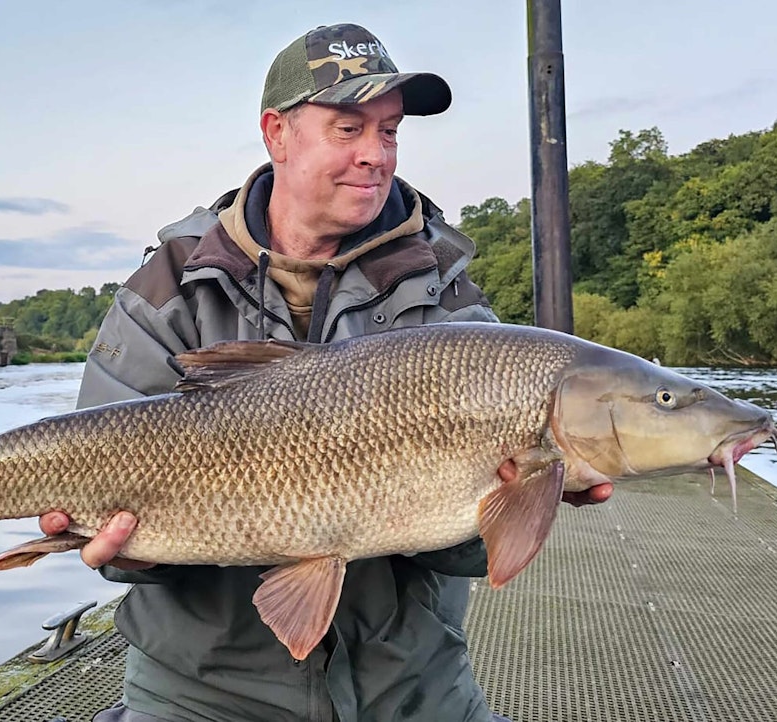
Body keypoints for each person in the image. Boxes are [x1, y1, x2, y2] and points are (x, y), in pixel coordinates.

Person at [39, 23, 612, 722]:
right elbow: (109, 522)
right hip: (200, 690)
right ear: (277, 133)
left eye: (390, 131)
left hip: (410, 685)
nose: (376, 155)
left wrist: (526, 497)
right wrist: (124, 553)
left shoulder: (444, 293)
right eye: (348, 128)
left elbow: (469, 560)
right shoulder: (170, 288)